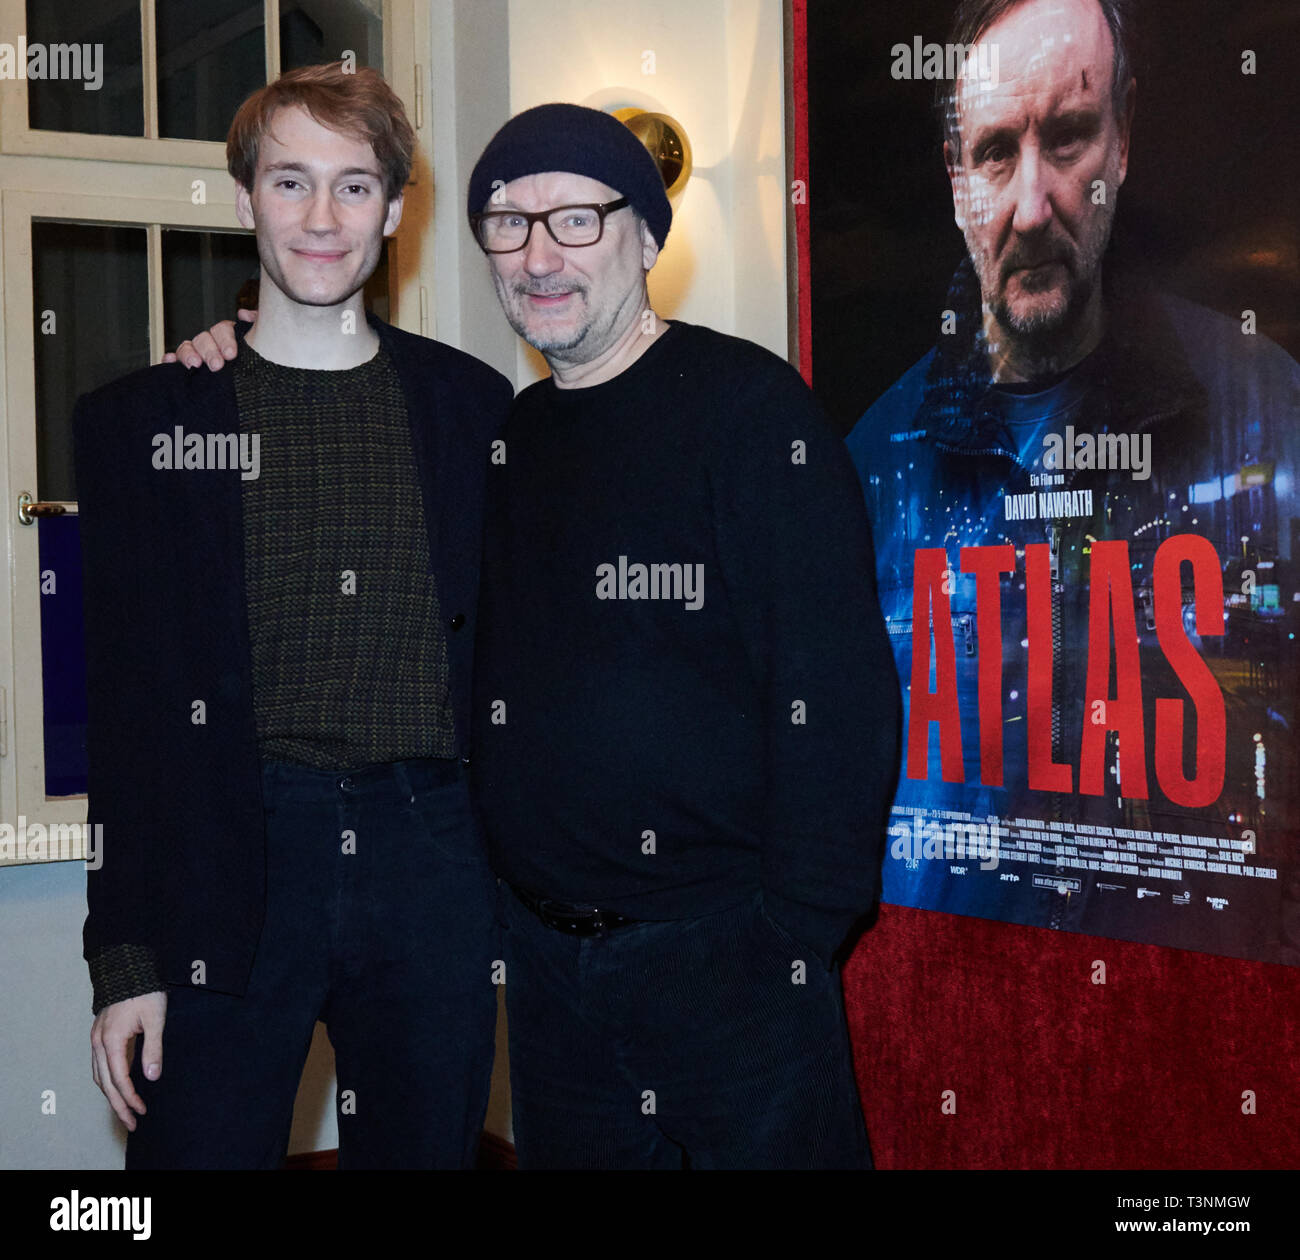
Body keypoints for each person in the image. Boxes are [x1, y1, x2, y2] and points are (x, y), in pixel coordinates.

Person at [177, 102, 901, 1169]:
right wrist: (236, 353)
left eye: (573, 220)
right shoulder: (503, 435)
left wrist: (794, 930)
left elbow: (837, 690)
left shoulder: (752, 414)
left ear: (647, 235)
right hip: (548, 973)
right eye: (506, 225)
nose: (536, 255)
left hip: (728, 962)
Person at [77, 61, 512, 1168]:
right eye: (290, 182)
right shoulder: (147, 426)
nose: (322, 219)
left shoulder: (474, 410)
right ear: (242, 200)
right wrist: (124, 963)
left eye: (354, 187)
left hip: (431, 852)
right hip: (228, 853)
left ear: (396, 211)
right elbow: (123, 719)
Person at [844, 0, 1300, 963]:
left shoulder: (1267, 409)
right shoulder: (874, 461)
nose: (1032, 202)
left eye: (1070, 136)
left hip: (1196, 1031)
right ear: (957, 179)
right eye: (996, 152)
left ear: (1122, 140)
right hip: (953, 1021)